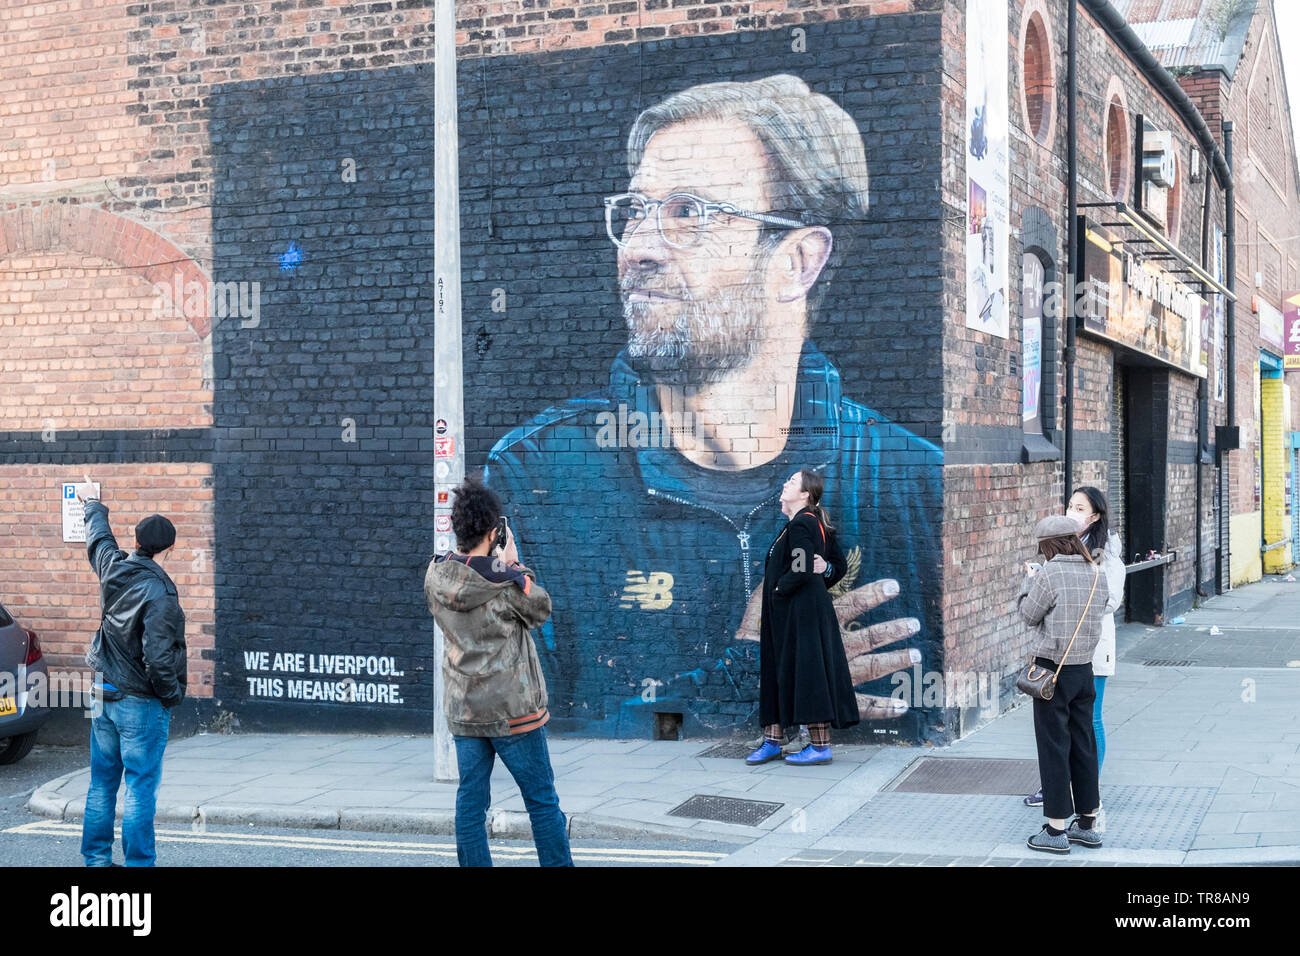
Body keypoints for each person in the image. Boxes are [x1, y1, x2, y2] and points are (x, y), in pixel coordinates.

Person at [485, 74, 941, 736]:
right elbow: (526, 727)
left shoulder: (911, 481)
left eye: (687, 213)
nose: (638, 248)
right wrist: (747, 677)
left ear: (797, 262)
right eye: (636, 212)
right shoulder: (538, 475)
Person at [424, 476, 573, 868]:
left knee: (471, 804)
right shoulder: (505, 584)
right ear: (494, 532)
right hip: (513, 711)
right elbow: (540, 608)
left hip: (464, 708)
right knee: (542, 802)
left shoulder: (436, 577)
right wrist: (515, 566)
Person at [75, 475, 186, 868]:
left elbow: (99, 540)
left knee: (101, 784)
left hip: (102, 691)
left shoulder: (113, 568)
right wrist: (170, 695)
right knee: (139, 787)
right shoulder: (161, 592)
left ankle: (96, 862)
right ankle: (139, 865)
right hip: (140, 702)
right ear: (168, 549)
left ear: (137, 541)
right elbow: (158, 658)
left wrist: (92, 502)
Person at [1024, 487, 1124, 830]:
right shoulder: (1094, 572)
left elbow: (1029, 614)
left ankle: (1054, 828)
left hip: (1054, 669)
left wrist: (1030, 581)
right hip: (1084, 666)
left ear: (1050, 545)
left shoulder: (1052, 572)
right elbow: (1103, 606)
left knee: (1054, 745)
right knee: (1083, 743)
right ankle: (1088, 821)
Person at [747, 469, 858, 766]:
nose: (785, 484)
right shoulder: (810, 524)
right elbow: (837, 565)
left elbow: (800, 566)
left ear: (805, 494)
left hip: (798, 612)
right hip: (799, 610)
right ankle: (773, 740)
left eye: (792, 482)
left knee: (807, 673)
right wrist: (827, 571)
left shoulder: (801, 525)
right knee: (783, 670)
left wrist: (778, 590)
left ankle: (819, 747)